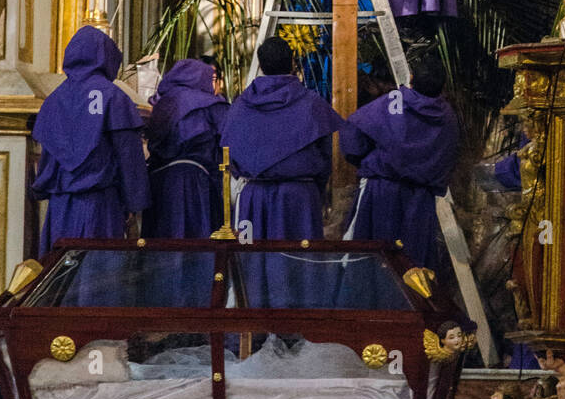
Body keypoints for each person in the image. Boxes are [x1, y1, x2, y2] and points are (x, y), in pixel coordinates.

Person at [32, 26, 150, 256]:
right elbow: (129, 156)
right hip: (101, 204)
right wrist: (133, 203)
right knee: (96, 278)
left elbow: (47, 159)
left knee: (60, 274)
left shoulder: (54, 98)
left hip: (60, 207)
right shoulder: (114, 96)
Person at [340, 52, 459, 268]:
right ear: (442, 87)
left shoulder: (396, 100)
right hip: (420, 199)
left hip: (380, 192)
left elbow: (354, 132)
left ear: (411, 78)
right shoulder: (447, 116)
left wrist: (364, 160)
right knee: (412, 264)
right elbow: (450, 155)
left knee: (368, 259)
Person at [220, 36, 341, 239]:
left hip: (254, 198)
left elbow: (230, 155)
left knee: (251, 265)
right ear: (293, 61)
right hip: (299, 198)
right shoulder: (312, 104)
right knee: (299, 264)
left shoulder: (240, 106)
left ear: (259, 65)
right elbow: (326, 156)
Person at [141, 59, 228, 238]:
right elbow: (228, 144)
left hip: (159, 182)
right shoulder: (210, 104)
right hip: (196, 182)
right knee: (196, 242)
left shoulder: (161, 104)